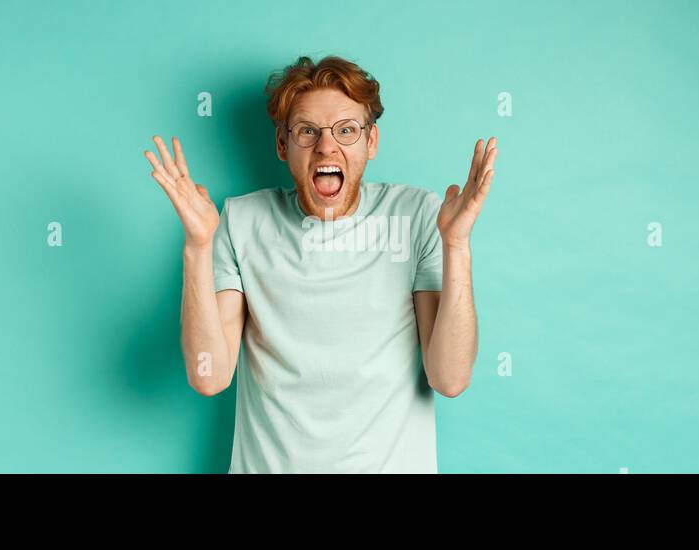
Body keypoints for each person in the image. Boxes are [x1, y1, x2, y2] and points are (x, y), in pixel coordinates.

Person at [142, 55, 497, 473]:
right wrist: (198, 247)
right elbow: (210, 376)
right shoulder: (240, 221)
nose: (326, 146)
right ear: (282, 144)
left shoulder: (415, 216)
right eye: (307, 131)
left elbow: (450, 378)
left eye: (346, 130)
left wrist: (456, 245)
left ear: (371, 142)